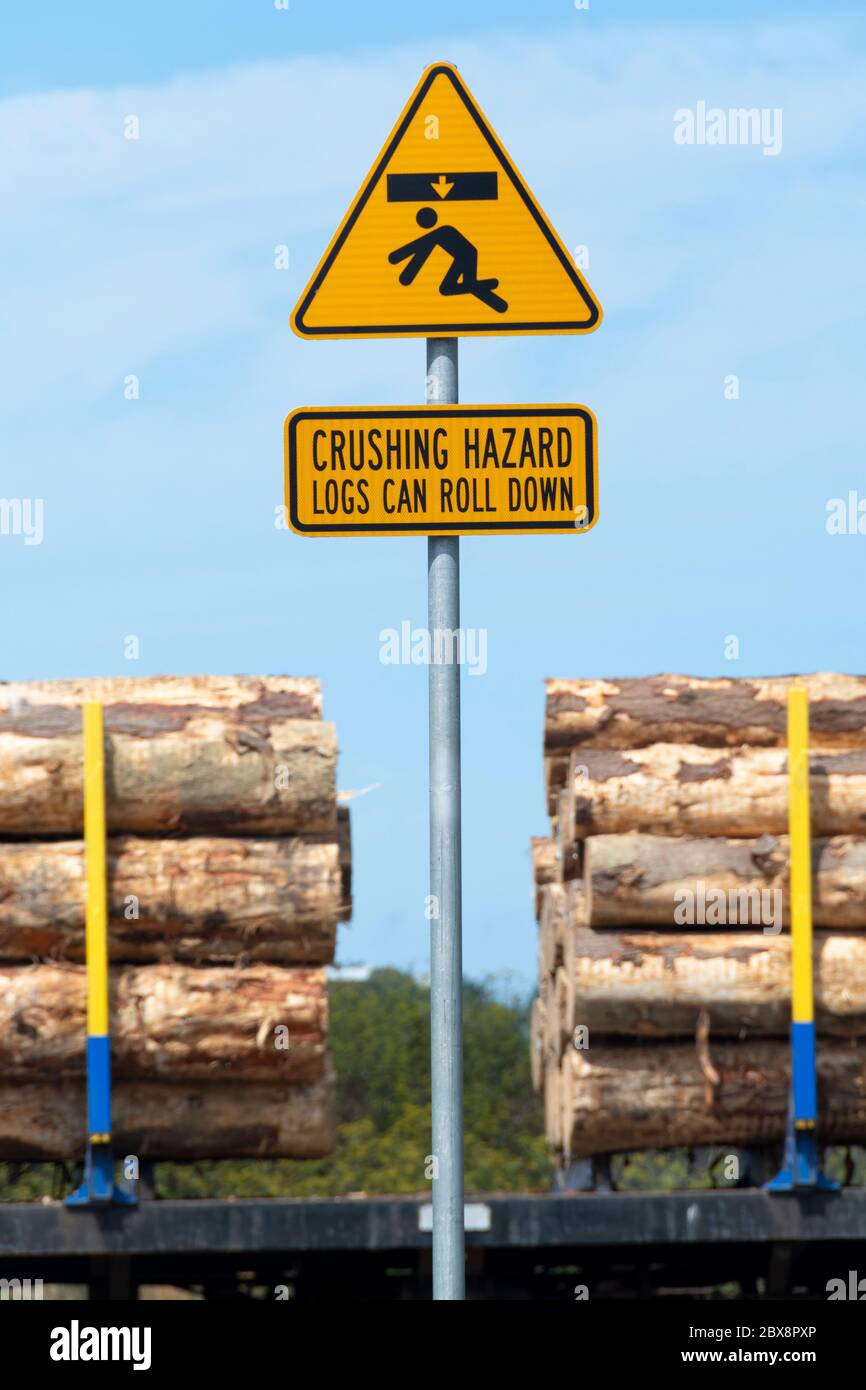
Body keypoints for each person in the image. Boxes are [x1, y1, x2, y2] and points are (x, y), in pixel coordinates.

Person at [388, 208, 508, 313]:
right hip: (461, 249)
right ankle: (458, 287)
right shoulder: (443, 233)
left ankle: (456, 286)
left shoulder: (443, 234)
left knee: (464, 279)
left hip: (462, 251)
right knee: (466, 279)